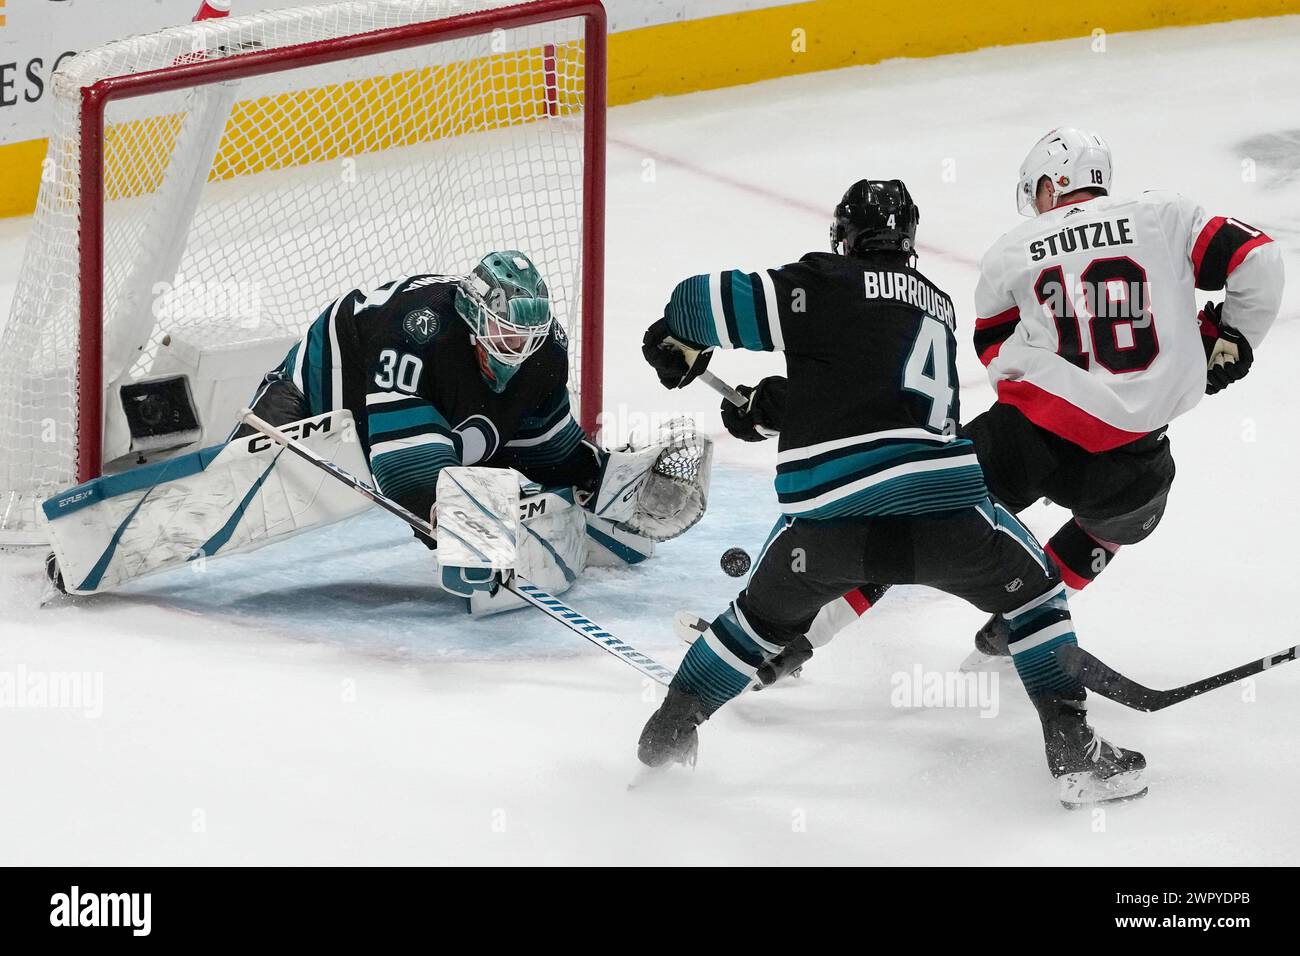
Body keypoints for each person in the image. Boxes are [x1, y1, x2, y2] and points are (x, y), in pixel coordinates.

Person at [638, 179, 1146, 807]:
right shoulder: (937, 305)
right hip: (950, 522)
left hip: (829, 538)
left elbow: (694, 302)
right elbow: (875, 392)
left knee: (752, 622)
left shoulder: (821, 284)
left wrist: (679, 338)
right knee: (1037, 596)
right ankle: (1076, 756)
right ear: (907, 240)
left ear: (843, 235)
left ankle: (666, 740)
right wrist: (779, 405)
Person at [748, 127, 1285, 678]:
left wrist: (1059, 380)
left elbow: (994, 348)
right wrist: (1233, 338)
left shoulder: (1012, 249)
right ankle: (1015, 628)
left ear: (1055, 184)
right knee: (1118, 520)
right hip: (1134, 460)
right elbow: (1257, 258)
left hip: (1028, 438)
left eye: (1038, 193)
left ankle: (790, 644)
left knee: (913, 519)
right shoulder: (1167, 214)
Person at [236, 250, 704, 613]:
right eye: (506, 334)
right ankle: (262, 416)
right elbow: (402, 467)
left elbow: (548, 446)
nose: (518, 349)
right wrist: (453, 518)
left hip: (448, 410)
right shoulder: (419, 334)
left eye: (528, 336)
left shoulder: (541, 351)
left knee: (536, 454)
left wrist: (598, 482)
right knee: (250, 461)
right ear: (476, 317)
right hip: (336, 375)